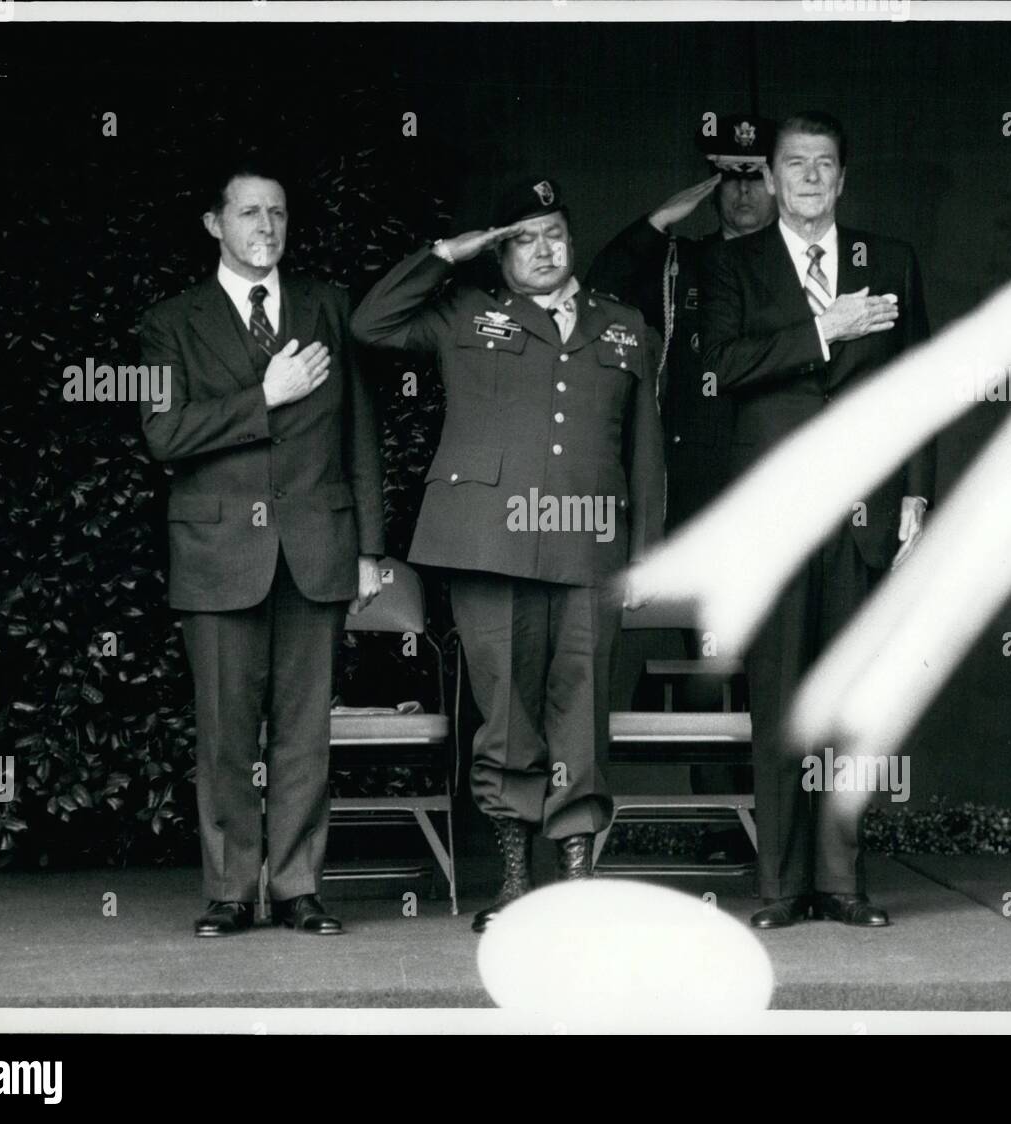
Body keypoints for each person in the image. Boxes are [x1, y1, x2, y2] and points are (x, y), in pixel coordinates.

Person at [351, 177, 665, 932]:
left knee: (582, 714)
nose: (543, 248)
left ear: (572, 237)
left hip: (590, 546)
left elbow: (645, 451)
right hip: (489, 543)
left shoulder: (625, 328)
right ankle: (517, 882)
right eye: (522, 237)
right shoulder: (463, 313)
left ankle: (578, 881)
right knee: (505, 716)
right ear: (500, 252)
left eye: (553, 231)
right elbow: (370, 325)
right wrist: (444, 255)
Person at [700, 112, 936, 929]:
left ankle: (841, 884)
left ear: (843, 179)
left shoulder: (890, 260)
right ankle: (779, 889)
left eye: (824, 164)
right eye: (793, 164)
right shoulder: (733, 264)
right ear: (766, 178)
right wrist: (820, 330)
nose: (808, 177)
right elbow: (722, 366)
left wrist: (916, 496)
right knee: (779, 702)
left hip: (866, 516)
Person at [139, 160, 385, 937]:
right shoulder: (169, 322)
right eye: (248, 213)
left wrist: (370, 549)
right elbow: (162, 433)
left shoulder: (330, 308)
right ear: (215, 224)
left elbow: (363, 435)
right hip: (217, 556)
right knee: (225, 734)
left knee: (308, 732)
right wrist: (265, 397)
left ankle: (297, 887)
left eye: (276, 213)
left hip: (318, 547)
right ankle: (230, 889)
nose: (265, 228)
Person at [588, 114, 778, 865]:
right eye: (725, 177)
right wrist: (666, 216)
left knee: (779, 658)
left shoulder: (805, 267)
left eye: (753, 174)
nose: (739, 193)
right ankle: (721, 826)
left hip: (778, 482)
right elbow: (601, 286)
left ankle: (786, 836)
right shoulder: (683, 262)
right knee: (706, 654)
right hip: (698, 481)